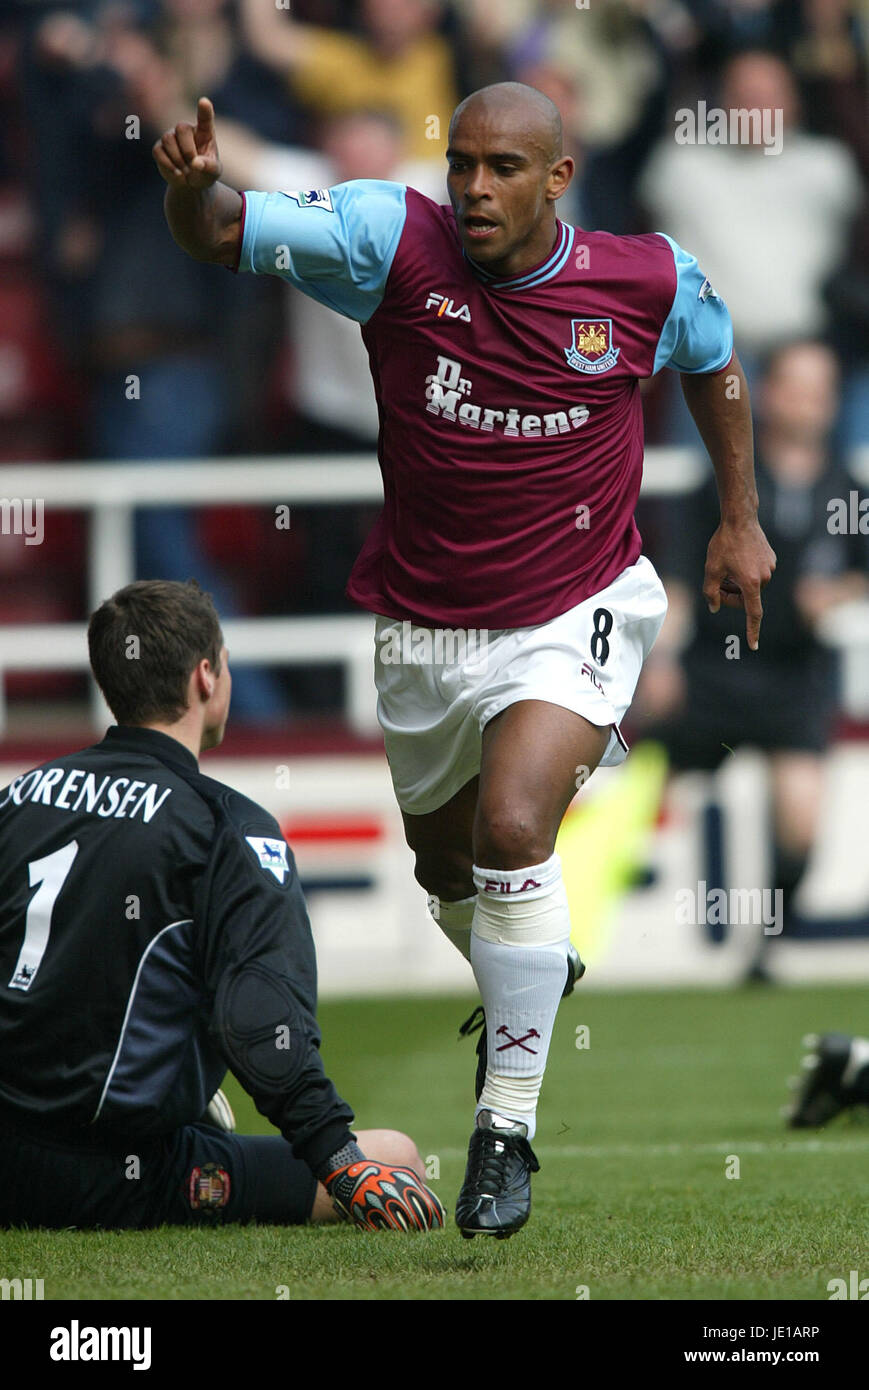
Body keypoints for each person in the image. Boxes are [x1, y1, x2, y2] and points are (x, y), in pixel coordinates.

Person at [153, 83, 775, 1238]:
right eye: (465, 165)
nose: (475, 188)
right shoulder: (386, 236)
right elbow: (228, 228)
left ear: (557, 178)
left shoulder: (643, 279)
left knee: (510, 832)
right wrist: (193, 199)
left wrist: (738, 516)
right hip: (425, 623)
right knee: (449, 868)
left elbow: (720, 359)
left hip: (577, 602)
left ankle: (505, 1128)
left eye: (502, 169)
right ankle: (531, 968)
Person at [0, 579, 444, 1233]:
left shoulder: (19, 799)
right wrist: (338, 1158)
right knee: (400, 1158)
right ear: (206, 676)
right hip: (111, 1174)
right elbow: (260, 1023)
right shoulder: (226, 827)